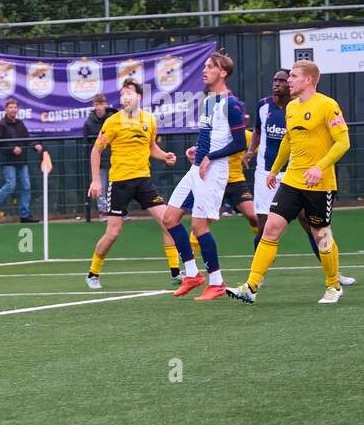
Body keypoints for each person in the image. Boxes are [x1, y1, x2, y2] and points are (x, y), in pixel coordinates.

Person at [227, 60, 350, 305]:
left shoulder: (328, 105)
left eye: (293, 76)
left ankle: (333, 285)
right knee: (271, 228)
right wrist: (274, 170)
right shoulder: (292, 108)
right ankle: (251, 286)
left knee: (321, 234)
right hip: (292, 180)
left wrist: (319, 167)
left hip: (320, 183)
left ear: (308, 80)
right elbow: (288, 141)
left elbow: (343, 143)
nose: (288, 80)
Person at [162, 52, 247, 301]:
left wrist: (211, 157)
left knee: (199, 226)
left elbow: (239, 143)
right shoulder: (209, 100)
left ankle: (217, 282)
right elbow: (210, 135)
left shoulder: (232, 104)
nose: (205, 69)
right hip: (197, 167)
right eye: (205, 65)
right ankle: (192, 274)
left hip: (214, 170)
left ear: (223, 73)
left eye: (211, 66)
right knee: (170, 218)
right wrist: (197, 150)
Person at [84, 80, 180, 289]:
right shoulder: (112, 122)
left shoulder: (149, 120)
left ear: (139, 97)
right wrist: (96, 180)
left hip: (143, 180)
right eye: (122, 95)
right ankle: (93, 273)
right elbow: (96, 151)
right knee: (113, 232)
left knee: (168, 221)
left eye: (129, 94)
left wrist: (165, 156)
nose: (124, 98)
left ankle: (175, 272)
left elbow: (151, 146)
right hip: (120, 182)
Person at [0, 98, 41, 224]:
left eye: (15, 107)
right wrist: (12, 148)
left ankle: (25, 215)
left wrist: (35, 145)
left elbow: (27, 138)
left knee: (26, 186)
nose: (13, 110)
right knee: (11, 185)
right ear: (6, 109)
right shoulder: (1, 124)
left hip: (22, 161)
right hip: (8, 161)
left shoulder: (20, 124)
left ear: (17, 109)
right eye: (10, 107)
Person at [82, 93, 116, 216]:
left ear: (105, 104)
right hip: (99, 161)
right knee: (100, 185)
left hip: (114, 159)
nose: (99, 107)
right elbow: (87, 144)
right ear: (94, 106)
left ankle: (116, 211)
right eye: (97, 104)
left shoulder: (113, 119)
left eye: (101, 104)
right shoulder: (89, 123)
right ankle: (103, 211)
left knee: (115, 187)